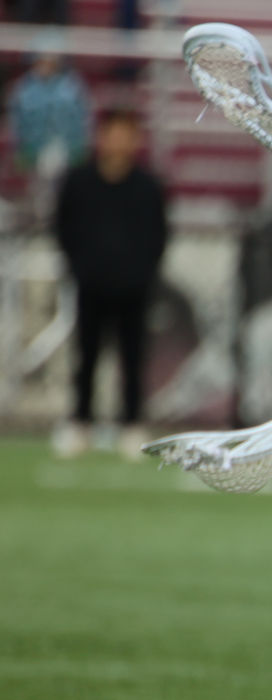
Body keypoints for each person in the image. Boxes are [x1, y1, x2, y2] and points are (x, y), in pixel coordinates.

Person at [52, 107, 168, 459]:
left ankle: (131, 424)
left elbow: (158, 235)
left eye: (126, 132)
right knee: (86, 356)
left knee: (132, 358)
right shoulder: (78, 181)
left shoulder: (148, 185)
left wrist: (141, 272)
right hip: (91, 285)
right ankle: (80, 422)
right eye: (112, 132)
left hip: (133, 288)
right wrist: (81, 267)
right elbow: (64, 228)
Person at [6, 44, 90, 225]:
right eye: (41, 61)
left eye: (50, 61)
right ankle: (39, 221)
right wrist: (20, 150)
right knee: (39, 188)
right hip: (33, 149)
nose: (46, 65)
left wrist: (78, 148)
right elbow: (16, 122)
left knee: (61, 183)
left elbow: (82, 119)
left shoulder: (72, 87)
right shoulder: (23, 89)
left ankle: (59, 220)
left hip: (64, 149)